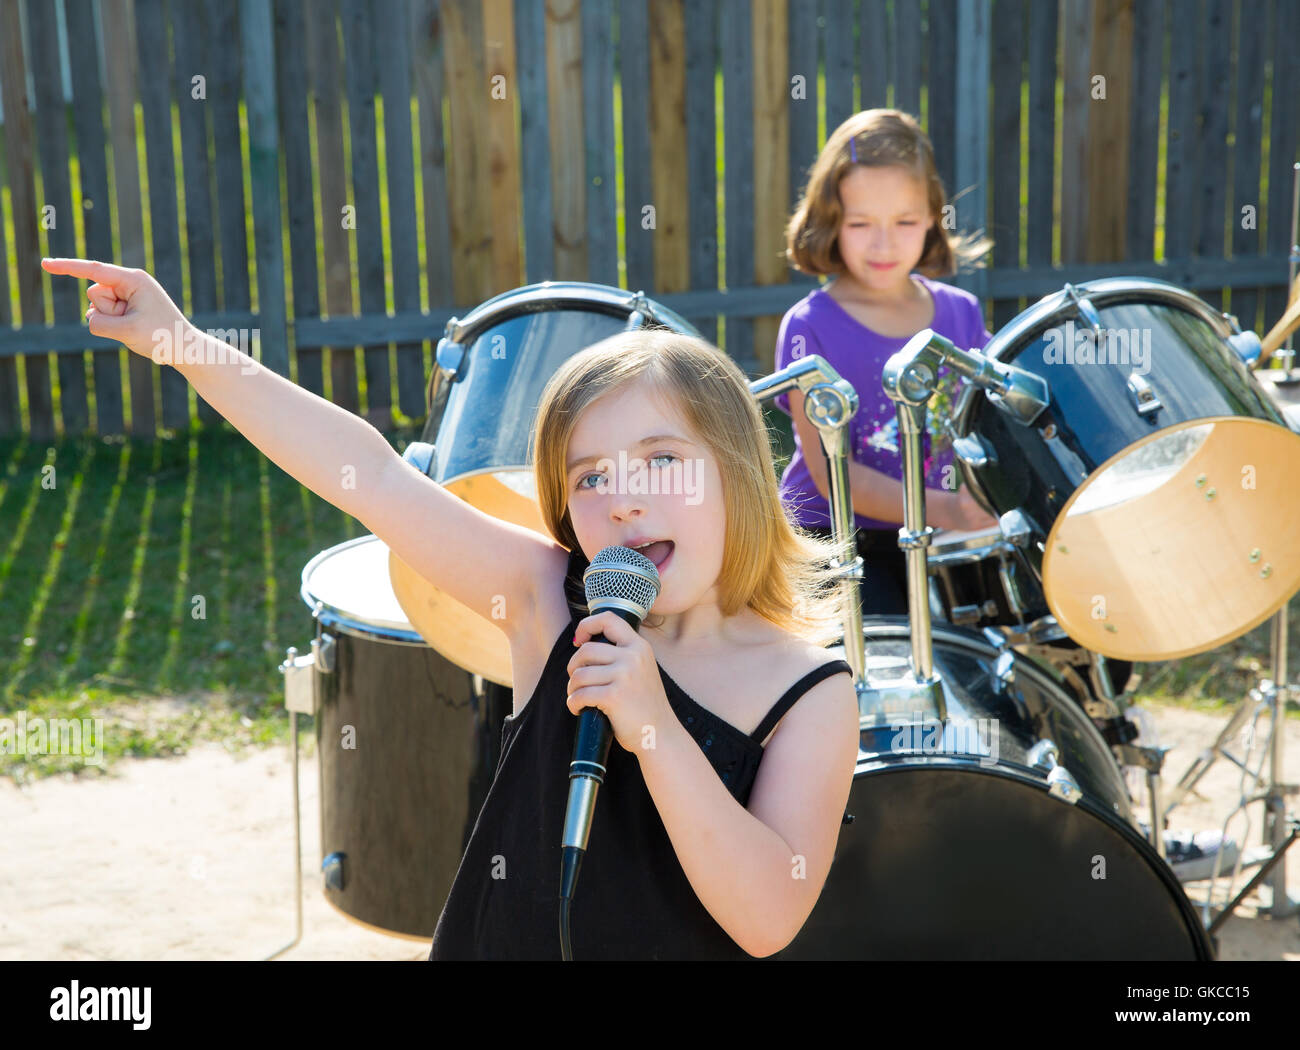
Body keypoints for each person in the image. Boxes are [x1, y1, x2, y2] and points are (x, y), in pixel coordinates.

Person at [41, 255, 859, 960]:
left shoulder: (810, 692)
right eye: (591, 477)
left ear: (739, 474)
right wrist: (179, 343)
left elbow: (767, 918)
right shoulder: (550, 602)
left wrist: (653, 732)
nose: (625, 502)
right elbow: (373, 476)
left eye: (660, 461)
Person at [775, 108, 998, 616]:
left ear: (933, 219)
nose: (884, 243)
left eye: (905, 221)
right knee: (884, 657)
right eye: (860, 223)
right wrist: (949, 510)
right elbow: (832, 473)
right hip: (835, 542)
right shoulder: (809, 327)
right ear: (830, 222)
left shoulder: (959, 313)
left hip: (936, 536)